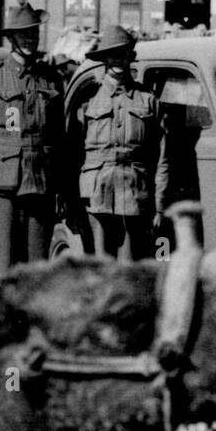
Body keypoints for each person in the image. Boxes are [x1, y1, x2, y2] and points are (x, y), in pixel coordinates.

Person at [0, 2, 64, 285]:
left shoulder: (51, 78)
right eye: (24, 34)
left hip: (40, 183)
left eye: (34, 33)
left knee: (37, 269)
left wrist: (59, 189)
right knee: (3, 267)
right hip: (2, 186)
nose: (31, 39)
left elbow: (59, 139)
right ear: (12, 38)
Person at [71, 24, 161, 260]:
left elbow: (159, 157)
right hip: (96, 193)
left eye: (123, 53)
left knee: (128, 266)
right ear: (104, 58)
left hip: (133, 193)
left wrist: (158, 205)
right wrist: (71, 202)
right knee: (101, 265)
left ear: (130, 57)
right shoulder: (87, 99)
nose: (118, 60)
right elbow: (71, 152)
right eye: (113, 54)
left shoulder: (147, 100)